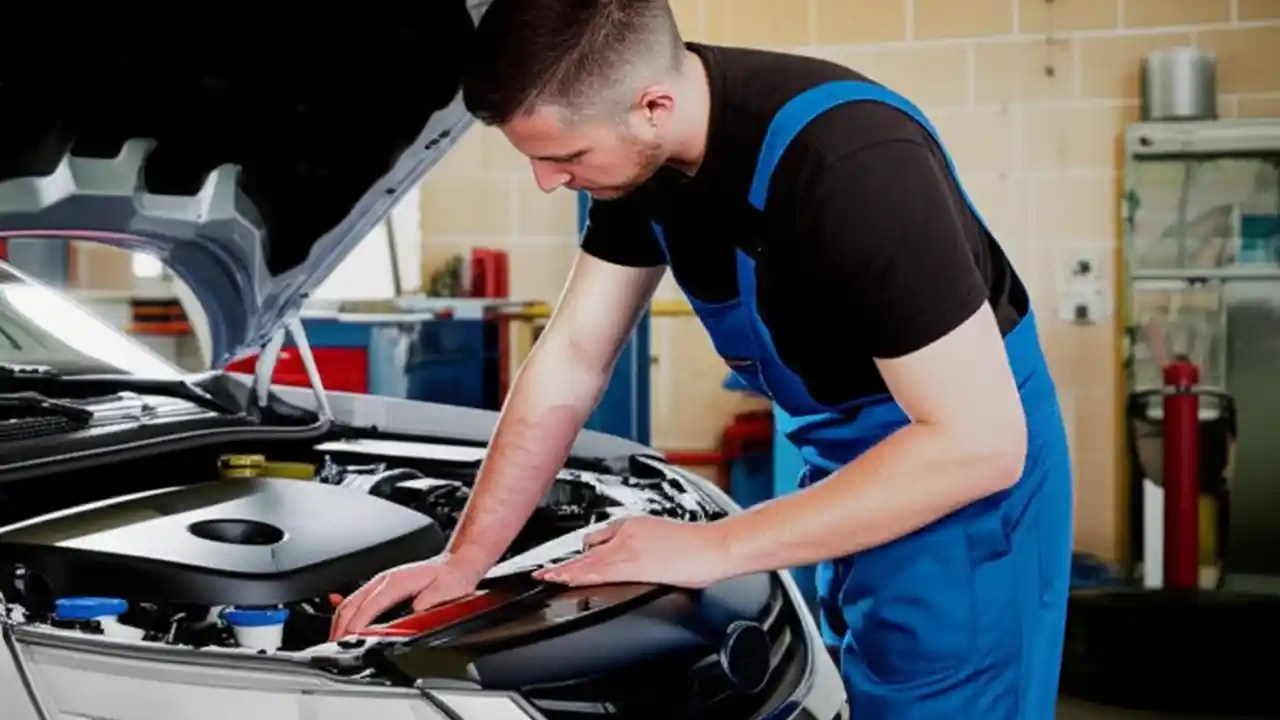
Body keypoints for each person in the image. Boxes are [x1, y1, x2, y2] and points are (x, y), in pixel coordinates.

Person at [330, 1, 1074, 716]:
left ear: (652, 106)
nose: (548, 180)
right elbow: (572, 357)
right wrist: (466, 562)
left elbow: (980, 444)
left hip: (964, 498)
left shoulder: (853, 164)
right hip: (847, 464)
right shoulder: (640, 162)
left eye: (565, 155)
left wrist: (714, 547)